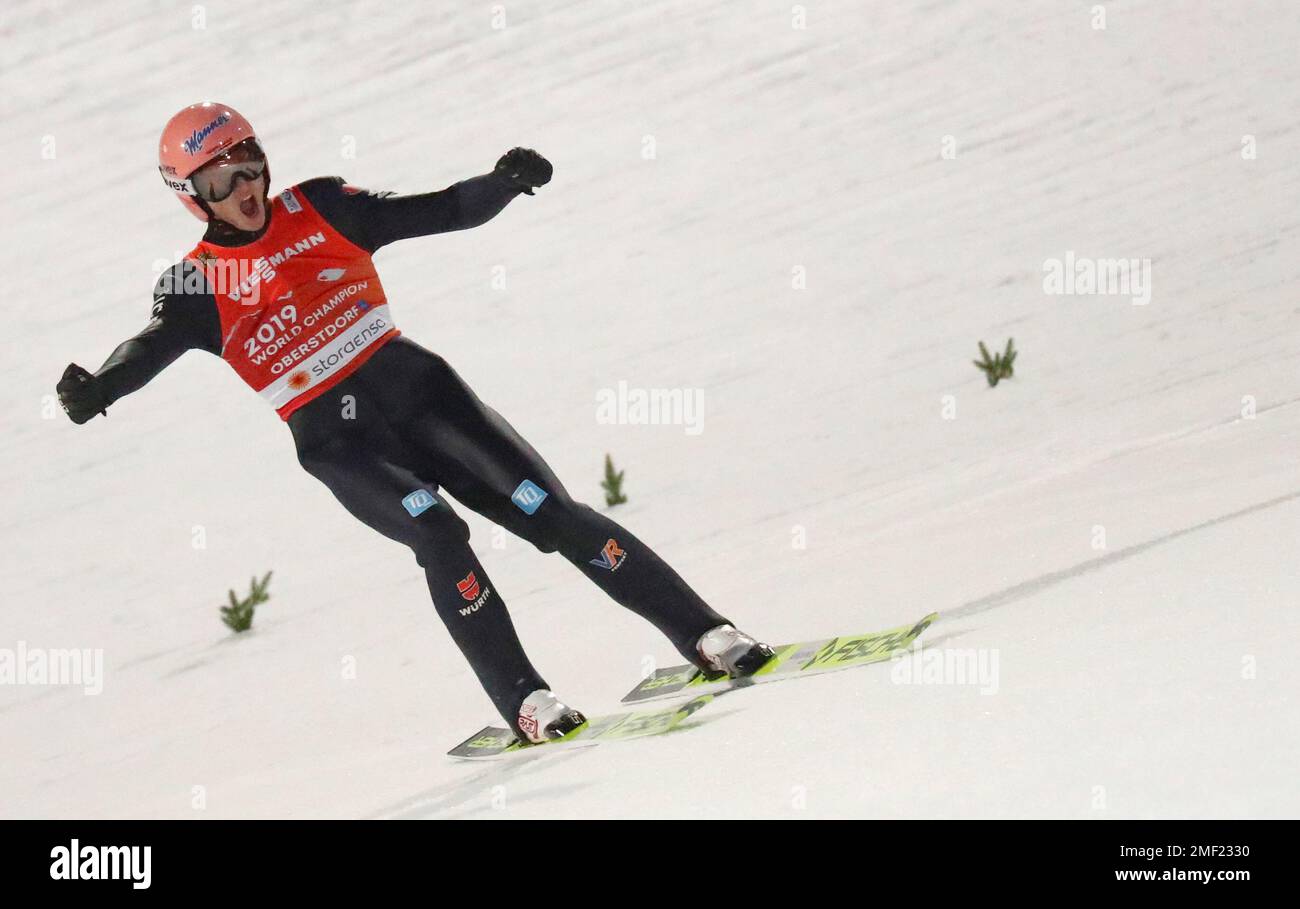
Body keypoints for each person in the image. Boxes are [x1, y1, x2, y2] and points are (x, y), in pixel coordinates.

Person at [56, 102, 773, 743]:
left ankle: (705, 632)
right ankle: (525, 700)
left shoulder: (325, 206)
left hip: (427, 399)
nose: (243, 191)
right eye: (218, 183)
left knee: (551, 514)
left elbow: (444, 209)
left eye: (248, 168)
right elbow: (147, 346)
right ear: (191, 199)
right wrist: (101, 387)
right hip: (343, 445)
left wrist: (505, 182)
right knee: (437, 533)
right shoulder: (195, 283)